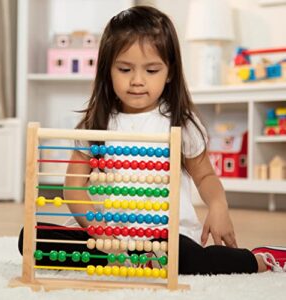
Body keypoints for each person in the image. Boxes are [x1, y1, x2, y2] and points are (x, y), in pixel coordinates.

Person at [18, 6, 285, 274]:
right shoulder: (95, 125)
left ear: (169, 72)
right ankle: (120, 260)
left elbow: (205, 176)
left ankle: (260, 260)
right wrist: (101, 232)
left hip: (164, 239)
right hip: (106, 237)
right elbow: (73, 188)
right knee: (30, 238)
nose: (137, 80)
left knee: (185, 258)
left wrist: (218, 204)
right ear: (107, 71)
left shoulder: (179, 123)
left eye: (151, 70)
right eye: (124, 69)